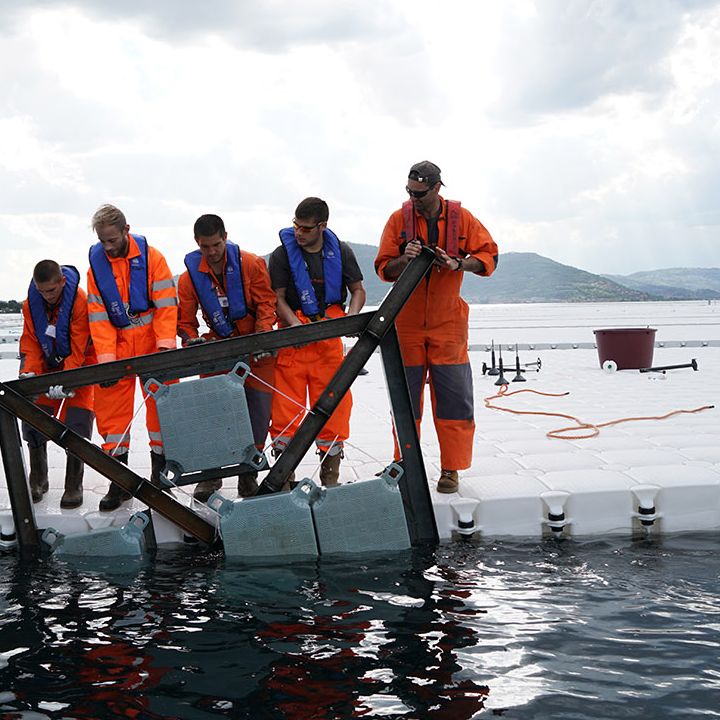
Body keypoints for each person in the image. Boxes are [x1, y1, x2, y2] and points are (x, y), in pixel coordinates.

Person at [374, 160, 498, 493]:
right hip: (407, 323)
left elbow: (489, 258)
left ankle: (451, 469)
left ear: (437, 188)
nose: (414, 199)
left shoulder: (464, 219)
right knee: (405, 401)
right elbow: (384, 268)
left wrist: (458, 262)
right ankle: (403, 463)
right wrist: (406, 258)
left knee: (454, 400)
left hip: (448, 324)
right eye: (409, 192)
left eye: (420, 193)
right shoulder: (398, 220)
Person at [176, 214, 277, 501]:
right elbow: (184, 320)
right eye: (205, 246)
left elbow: (266, 303)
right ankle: (211, 477)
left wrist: (260, 338)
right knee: (212, 411)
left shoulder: (251, 263)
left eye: (216, 245)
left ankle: (248, 475)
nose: (211, 252)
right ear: (197, 243)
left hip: (255, 349)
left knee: (258, 412)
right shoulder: (188, 278)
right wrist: (189, 339)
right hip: (217, 348)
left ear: (226, 237)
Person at [85, 204, 178, 512]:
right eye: (102, 241)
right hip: (118, 344)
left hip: (154, 343)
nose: (107, 247)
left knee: (162, 412)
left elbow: (166, 305)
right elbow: (98, 316)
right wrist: (107, 358)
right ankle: (119, 482)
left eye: (112, 240)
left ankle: (160, 476)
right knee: (112, 418)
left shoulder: (154, 258)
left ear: (126, 231)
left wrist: (165, 346)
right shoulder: (95, 268)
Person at [268, 197, 366, 487]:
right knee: (285, 409)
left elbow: (357, 290)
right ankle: (284, 477)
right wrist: (295, 327)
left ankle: (330, 474)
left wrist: (352, 316)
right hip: (292, 341)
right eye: (296, 226)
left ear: (322, 226)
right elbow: (278, 298)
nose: (298, 232)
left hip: (328, 340)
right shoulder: (281, 255)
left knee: (335, 407)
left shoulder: (342, 251)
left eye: (306, 228)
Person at [19, 259, 98, 509]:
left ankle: (74, 484)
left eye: (51, 291)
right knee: (33, 416)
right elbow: (31, 341)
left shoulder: (80, 302)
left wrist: (69, 379)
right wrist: (29, 374)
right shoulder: (30, 306)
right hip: (45, 365)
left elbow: (78, 344)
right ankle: (38, 478)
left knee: (77, 421)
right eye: (41, 292)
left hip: (81, 363)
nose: (47, 296)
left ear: (63, 282)